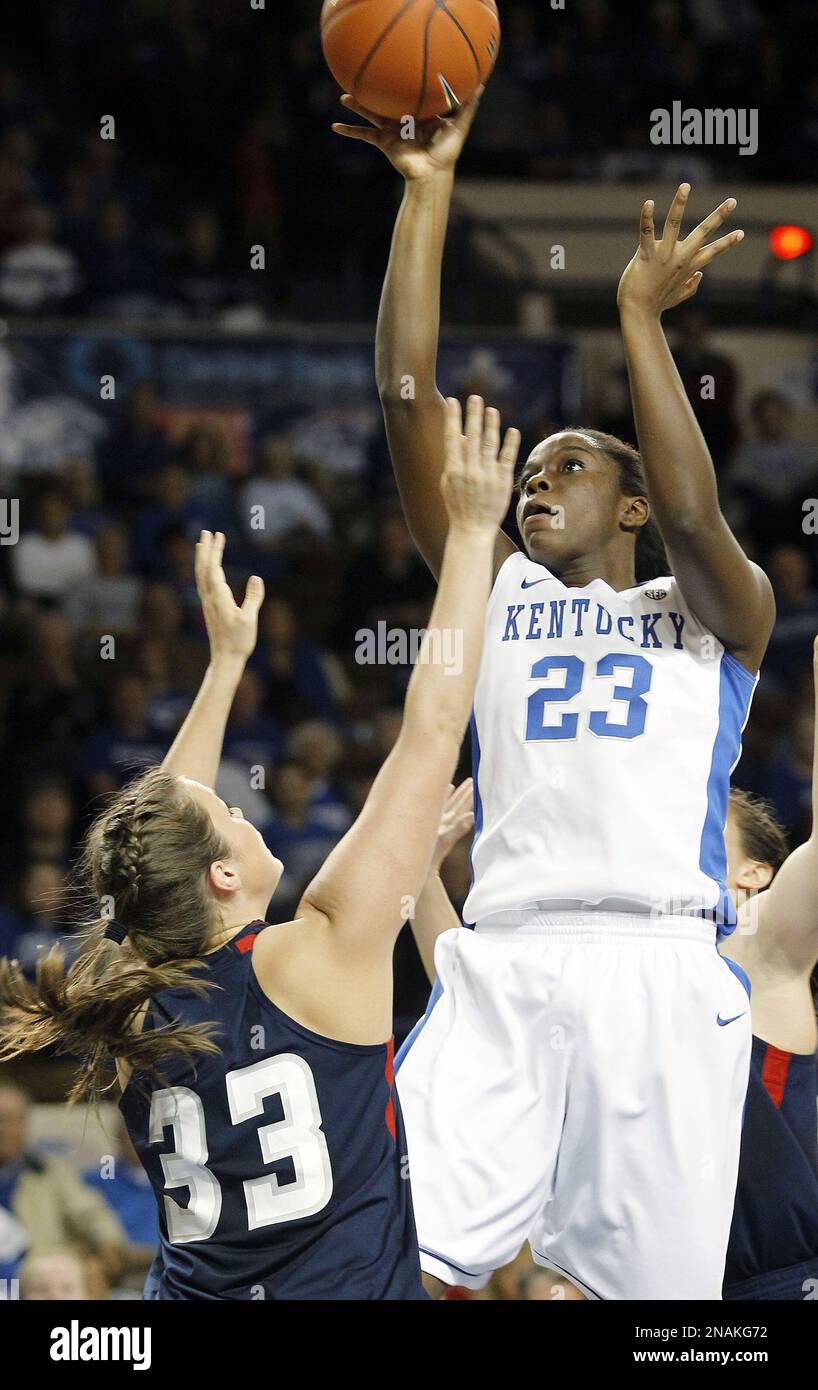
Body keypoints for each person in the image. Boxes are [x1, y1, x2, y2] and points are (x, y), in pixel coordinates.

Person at [336, 91, 775, 1299]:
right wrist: (425, 197)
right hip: (509, 961)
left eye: (568, 467)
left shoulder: (712, 615)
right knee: (385, 1258)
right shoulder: (500, 588)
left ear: (627, 508)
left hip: (663, 970)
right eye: (528, 469)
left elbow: (693, 513)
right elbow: (403, 399)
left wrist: (634, 314)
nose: (536, 480)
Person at [0, 399, 520, 1301]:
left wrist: (224, 665)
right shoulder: (320, 947)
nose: (252, 815)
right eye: (237, 818)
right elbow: (433, 728)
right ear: (223, 874)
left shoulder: (128, 992)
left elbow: (163, 832)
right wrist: (472, 534)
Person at [0, 1078, 125, 1281]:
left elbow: (91, 1214)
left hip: (41, 1275)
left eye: (8, 1119)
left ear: (24, 1124)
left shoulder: (50, 1172)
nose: (2, 1129)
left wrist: (107, 1246)